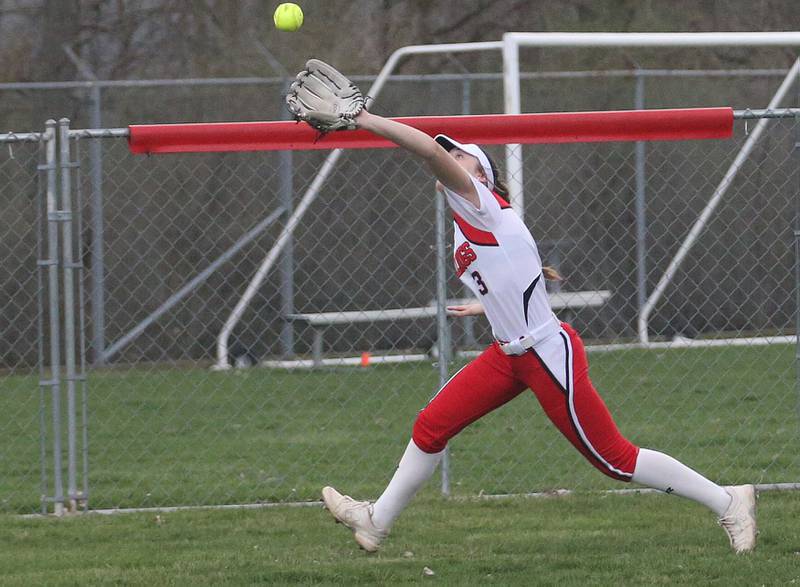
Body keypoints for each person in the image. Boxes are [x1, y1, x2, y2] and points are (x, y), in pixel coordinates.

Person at [286, 60, 757, 555]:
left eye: (460, 156)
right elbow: (511, 275)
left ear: (480, 176)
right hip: (507, 354)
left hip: (545, 353)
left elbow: (427, 149)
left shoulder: (481, 202)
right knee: (431, 426)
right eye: (451, 154)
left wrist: (363, 118)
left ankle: (728, 500)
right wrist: (487, 307)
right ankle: (376, 521)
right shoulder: (468, 222)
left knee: (613, 458)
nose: (449, 158)